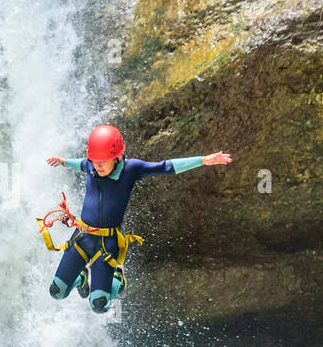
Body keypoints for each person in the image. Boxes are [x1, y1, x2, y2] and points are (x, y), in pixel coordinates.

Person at [45, 124, 232, 314]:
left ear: (117, 157)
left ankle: (117, 280)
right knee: (57, 292)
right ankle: (81, 278)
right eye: (95, 160)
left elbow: (166, 167)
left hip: (107, 244)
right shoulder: (90, 165)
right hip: (82, 237)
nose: (98, 165)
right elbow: (81, 163)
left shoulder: (131, 169)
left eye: (103, 161)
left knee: (99, 305)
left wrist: (202, 160)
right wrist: (63, 161)